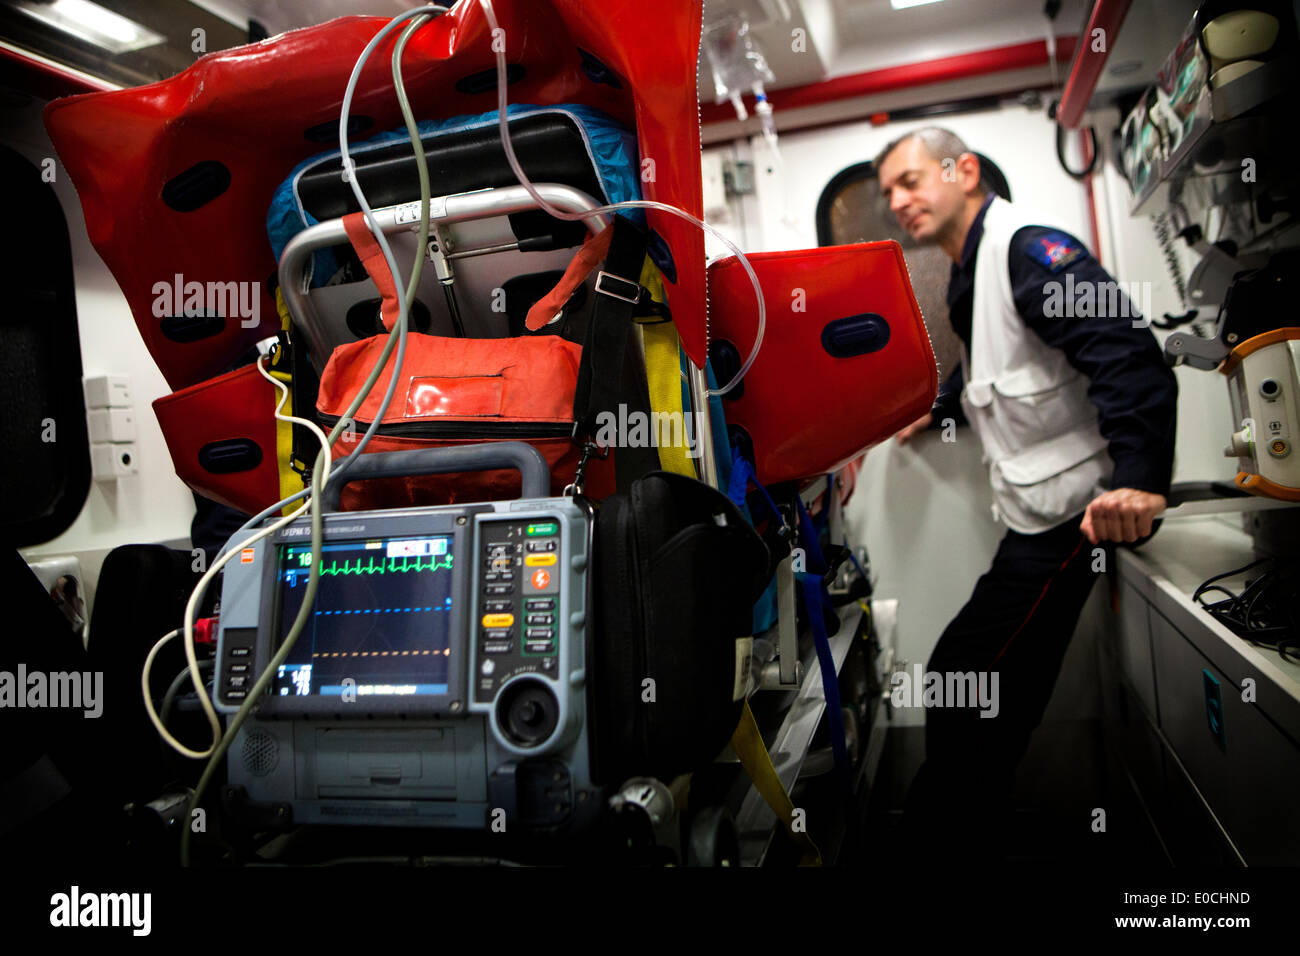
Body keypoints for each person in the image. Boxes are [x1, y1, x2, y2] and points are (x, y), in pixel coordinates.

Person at [875, 127, 1178, 857]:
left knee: (964, 676)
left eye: (910, 181)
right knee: (978, 683)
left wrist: (1140, 482)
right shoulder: (969, 269)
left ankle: (940, 840)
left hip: (1077, 520)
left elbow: (1129, 356)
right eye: (888, 192)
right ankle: (965, 828)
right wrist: (938, 412)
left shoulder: (1025, 249)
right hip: (1035, 518)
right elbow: (996, 369)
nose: (897, 201)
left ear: (965, 170)